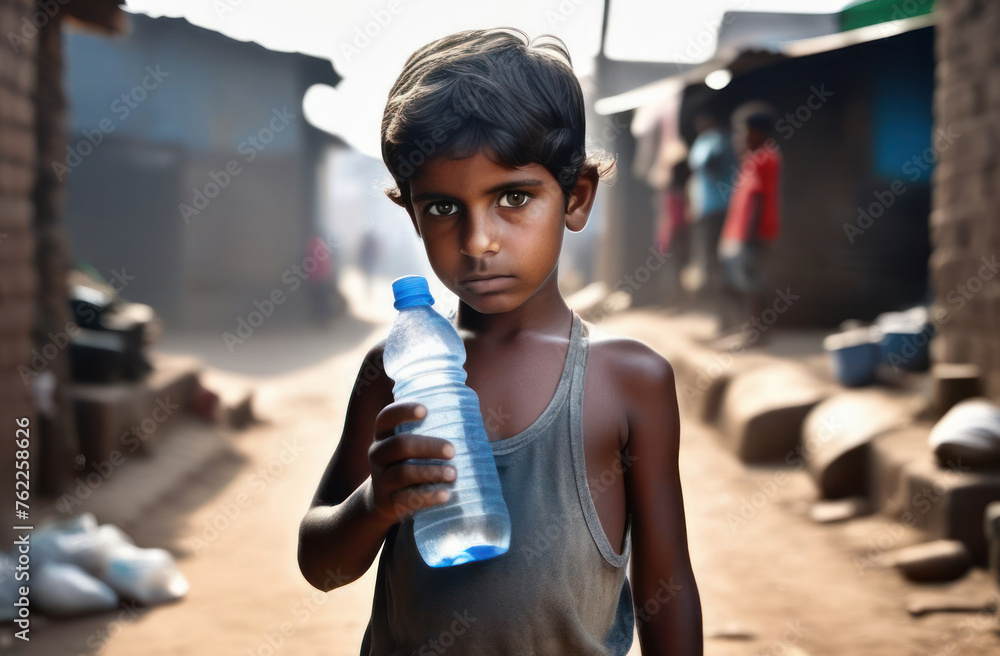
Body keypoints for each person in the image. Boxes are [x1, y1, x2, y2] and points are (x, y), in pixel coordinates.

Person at [297, 28, 702, 656]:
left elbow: (666, 586)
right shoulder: (394, 373)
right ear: (410, 214)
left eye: (513, 197)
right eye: (441, 208)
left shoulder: (627, 382)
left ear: (576, 198)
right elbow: (322, 566)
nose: (478, 239)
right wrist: (374, 503)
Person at [717, 109, 782, 344]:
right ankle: (750, 329)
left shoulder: (764, 158)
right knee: (746, 282)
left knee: (752, 283)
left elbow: (756, 198)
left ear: (757, 133)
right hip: (745, 232)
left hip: (753, 233)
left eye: (743, 132)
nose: (740, 138)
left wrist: (747, 235)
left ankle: (757, 333)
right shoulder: (754, 159)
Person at [685, 113, 734, 297]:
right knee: (713, 259)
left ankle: (724, 308)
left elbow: (704, 161)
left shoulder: (716, 140)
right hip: (708, 208)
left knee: (716, 260)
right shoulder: (714, 140)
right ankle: (721, 307)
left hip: (717, 209)